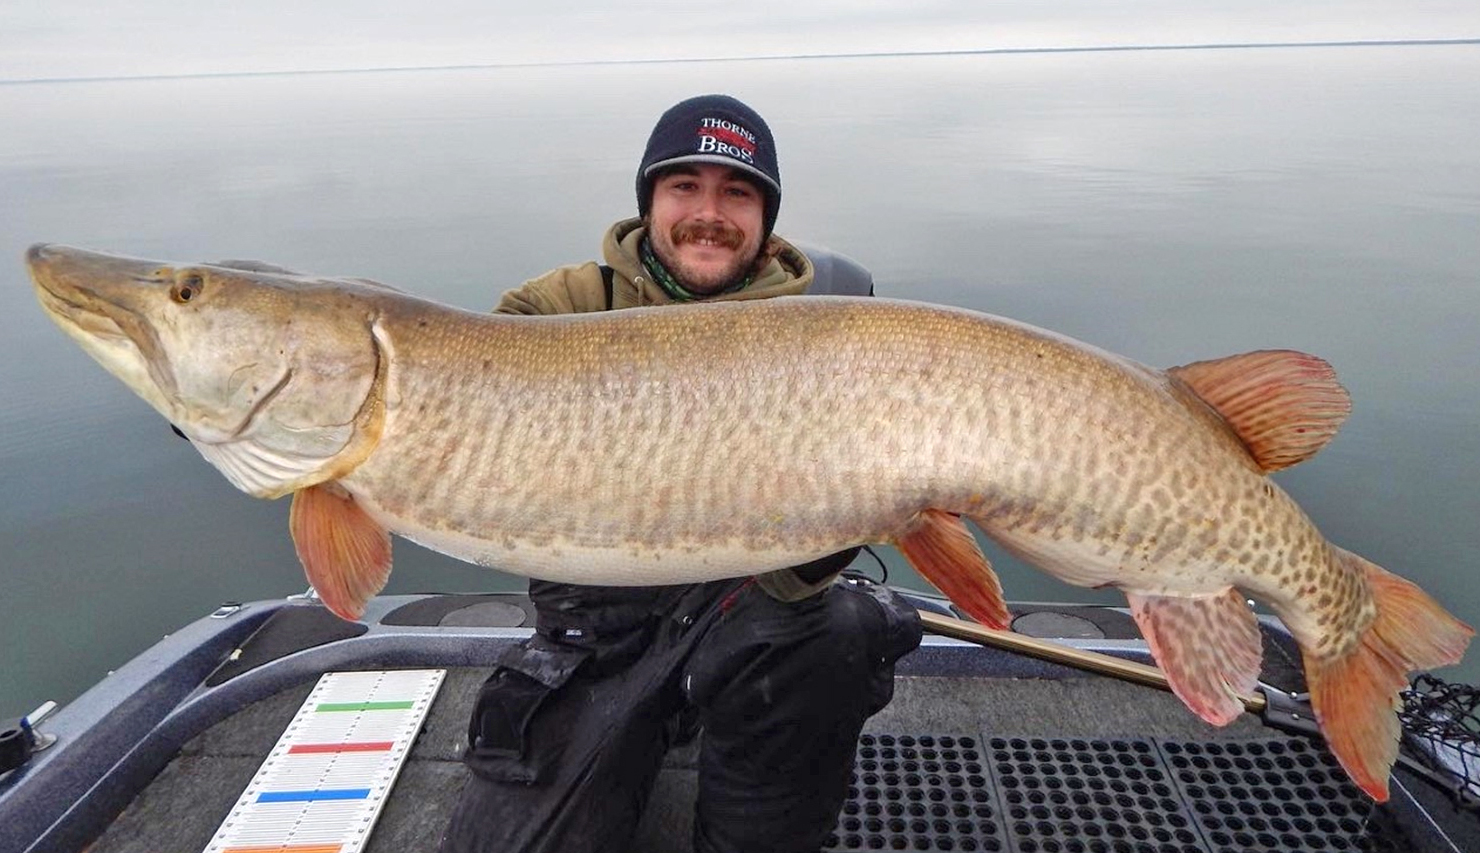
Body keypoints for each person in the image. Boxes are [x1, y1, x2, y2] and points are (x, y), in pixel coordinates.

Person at [438, 94, 923, 853]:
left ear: (764, 215)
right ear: (649, 201)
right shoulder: (553, 309)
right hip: (595, 638)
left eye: (737, 191)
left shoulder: (828, 331)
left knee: (837, 634)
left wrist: (842, 522)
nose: (710, 212)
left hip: (753, 603)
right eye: (684, 187)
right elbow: (455, 402)